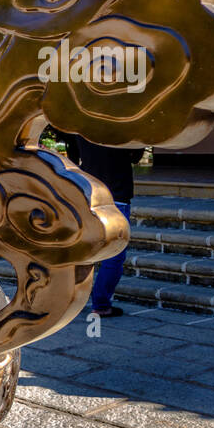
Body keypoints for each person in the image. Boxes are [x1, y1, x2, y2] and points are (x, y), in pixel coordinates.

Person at [69, 134, 142, 318]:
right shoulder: (121, 127)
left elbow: (73, 155)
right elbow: (136, 156)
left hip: (89, 193)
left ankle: (71, 301)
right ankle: (101, 304)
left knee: (84, 249)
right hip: (117, 193)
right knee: (114, 253)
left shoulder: (80, 128)